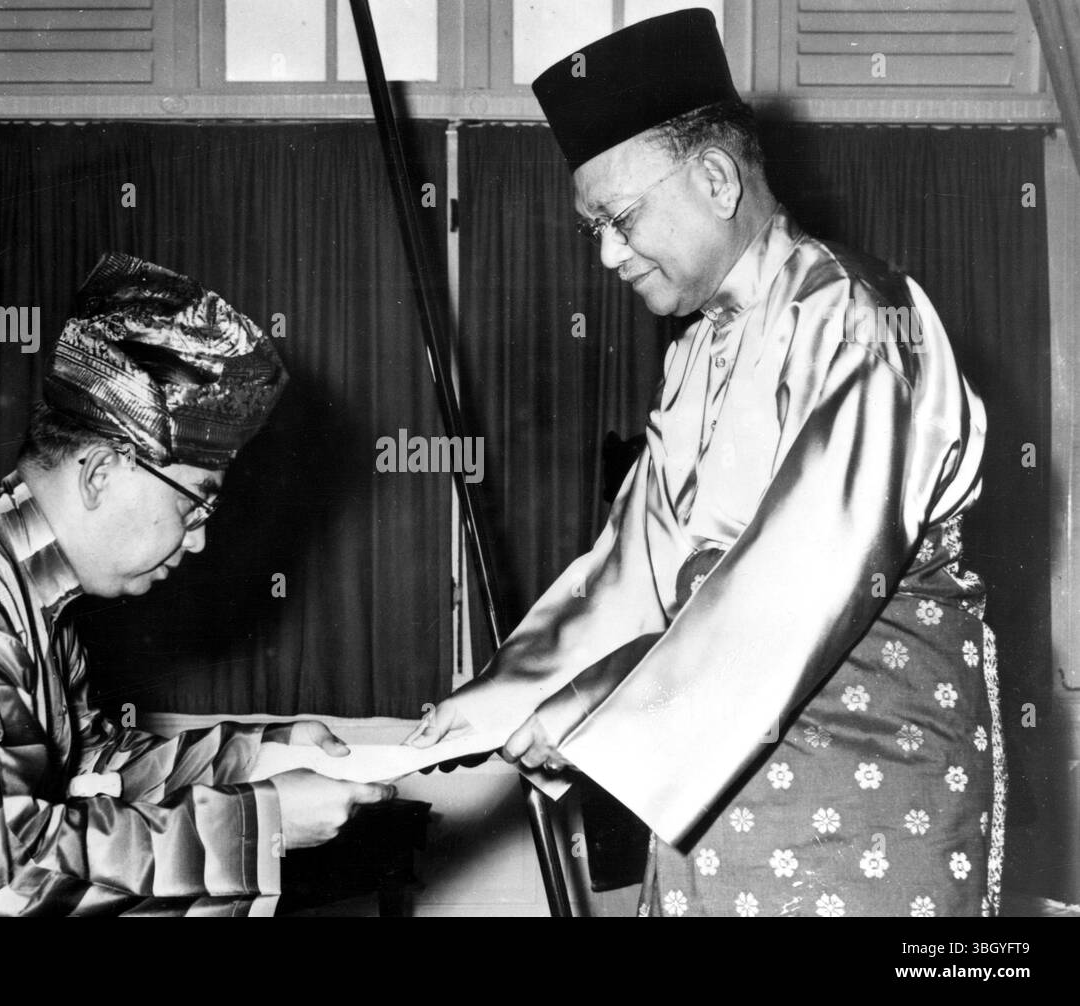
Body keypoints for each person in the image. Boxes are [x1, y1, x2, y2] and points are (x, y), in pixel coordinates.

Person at [411, 9, 1003, 917]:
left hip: (867, 797)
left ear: (718, 177)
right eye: (590, 229)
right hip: (714, 793)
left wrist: (606, 704)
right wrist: (496, 699)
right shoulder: (695, 352)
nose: (607, 253)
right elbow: (634, 569)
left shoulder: (857, 315)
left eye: (622, 217)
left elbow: (799, 579)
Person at [0, 252, 393, 917]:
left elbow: (93, 763)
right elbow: (14, 873)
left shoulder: (21, 580)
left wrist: (259, 755)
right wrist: (260, 826)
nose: (199, 540)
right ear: (102, 472)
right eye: (195, 507)